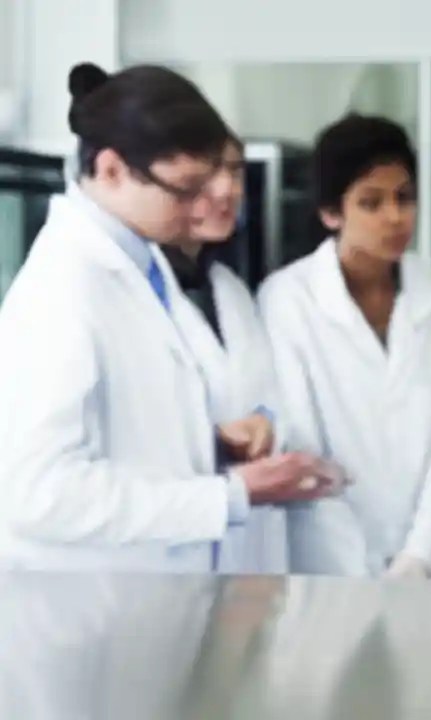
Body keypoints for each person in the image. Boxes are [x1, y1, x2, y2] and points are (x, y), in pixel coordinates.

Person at [0, 63, 338, 572]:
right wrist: (225, 496)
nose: (207, 202)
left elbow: (134, 427)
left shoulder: (144, 267)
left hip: (153, 609)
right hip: (81, 619)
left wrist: (211, 442)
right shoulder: (60, 292)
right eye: (184, 189)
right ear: (111, 170)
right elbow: (36, 493)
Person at [258, 113, 431, 578]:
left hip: (419, 560)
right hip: (325, 559)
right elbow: (303, 444)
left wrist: (420, 553)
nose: (395, 217)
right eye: (371, 203)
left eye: (404, 198)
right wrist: (358, 561)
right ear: (332, 213)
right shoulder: (289, 300)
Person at [153, 137, 289, 573]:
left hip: (246, 545)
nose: (228, 188)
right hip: (170, 548)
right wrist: (214, 438)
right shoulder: (135, 295)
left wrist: (265, 422)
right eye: (209, 173)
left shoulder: (230, 289)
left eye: (235, 172)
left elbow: (267, 390)